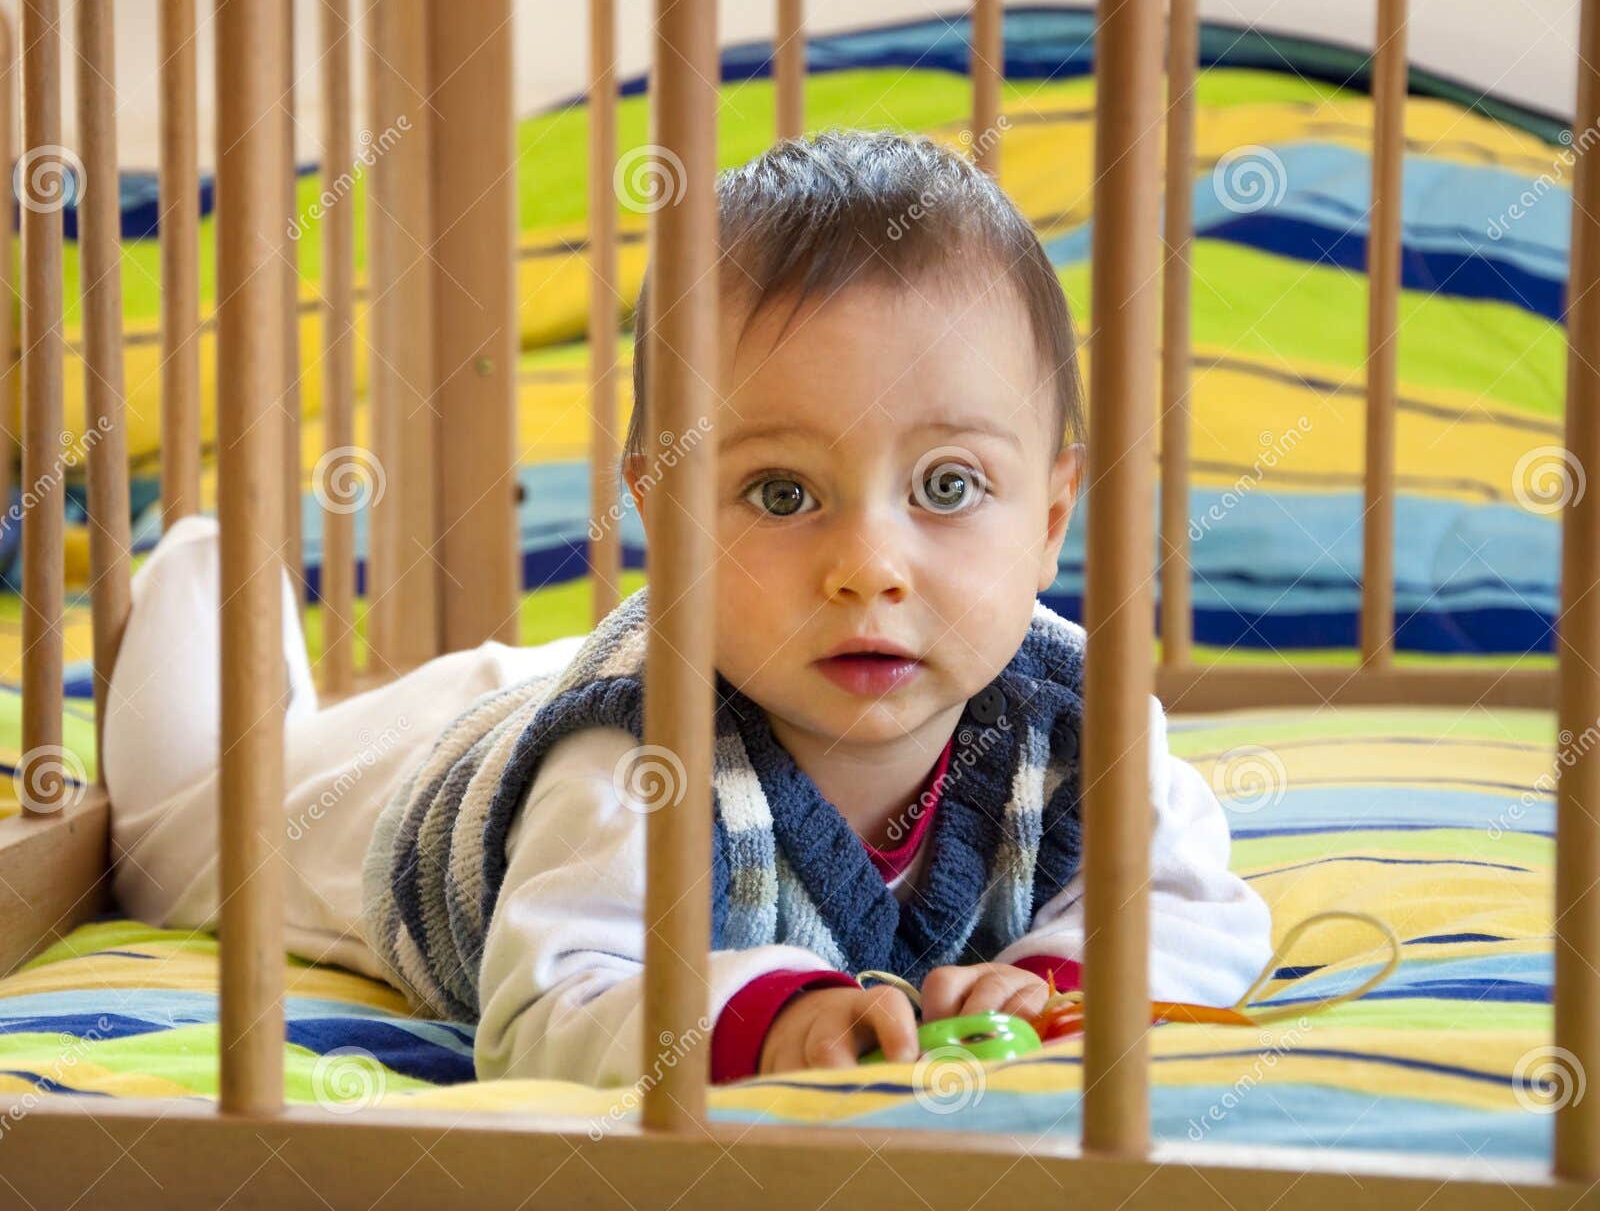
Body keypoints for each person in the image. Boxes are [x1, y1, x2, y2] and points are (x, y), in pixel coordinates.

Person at [106, 129, 1271, 1093]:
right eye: (780, 492)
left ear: (1054, 510)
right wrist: (765, 1018)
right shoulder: (631, 761)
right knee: (176, 833)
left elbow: (1186, 904)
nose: (867, 565)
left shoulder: (1079, 719)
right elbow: (550, 1006)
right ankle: (213, 565)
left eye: (948, 487)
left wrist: (1061, 972)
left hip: (625, 664)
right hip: (414, 772)